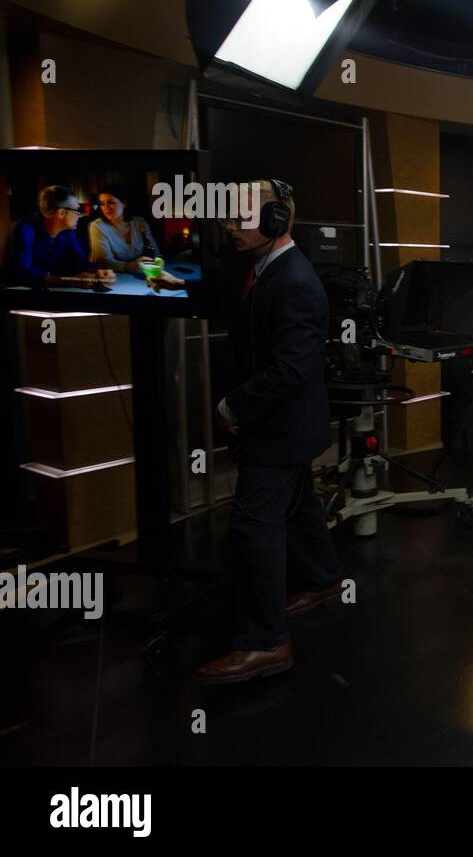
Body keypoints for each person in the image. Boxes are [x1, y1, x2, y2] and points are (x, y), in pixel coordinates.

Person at [195, 179, 344, 685]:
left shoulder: (296, 281)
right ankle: (324, 581)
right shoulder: (268, 269)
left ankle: (265, 643)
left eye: (240, 218)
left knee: (253, 528)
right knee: (300, 508)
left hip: (279, 431)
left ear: (277, 222)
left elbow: (291, 370)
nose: (230, 228)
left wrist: (234, 403)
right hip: (287, 429)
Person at [4, 185, 116, 289]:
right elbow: (24, 274)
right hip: (17, 294)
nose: (80, 215)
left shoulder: (67, 231)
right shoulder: (24, 228)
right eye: (77, 210)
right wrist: (71, 281)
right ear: (61, 212)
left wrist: (99, 272)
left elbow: (80, 262)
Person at [89, 185, 184, 289]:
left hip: (133, 278)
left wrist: (155, 262)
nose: (106, 207)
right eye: (102, 204)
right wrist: (130, 265)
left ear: (124, 203)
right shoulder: (97, 226)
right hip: (109, 279)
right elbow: (105, 261)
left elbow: (156, 253)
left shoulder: (139, 223)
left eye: (111, 202)